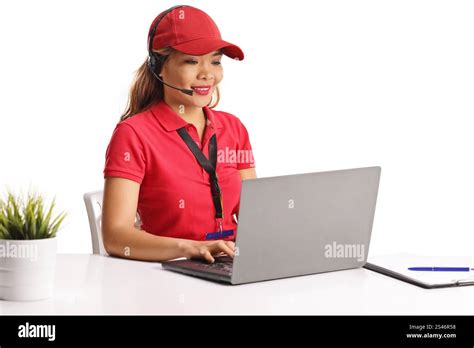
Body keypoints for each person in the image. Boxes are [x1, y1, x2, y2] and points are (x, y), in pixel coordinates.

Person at [101, 5, 256, 263]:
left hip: (231, 265)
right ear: (159, 67)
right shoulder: (133, 135)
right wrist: (191, 248)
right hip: (169, 273)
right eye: (192, 61)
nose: (208, 73)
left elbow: (256, 214)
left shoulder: (234, 128)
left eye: (215, 61)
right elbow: (115, 236)